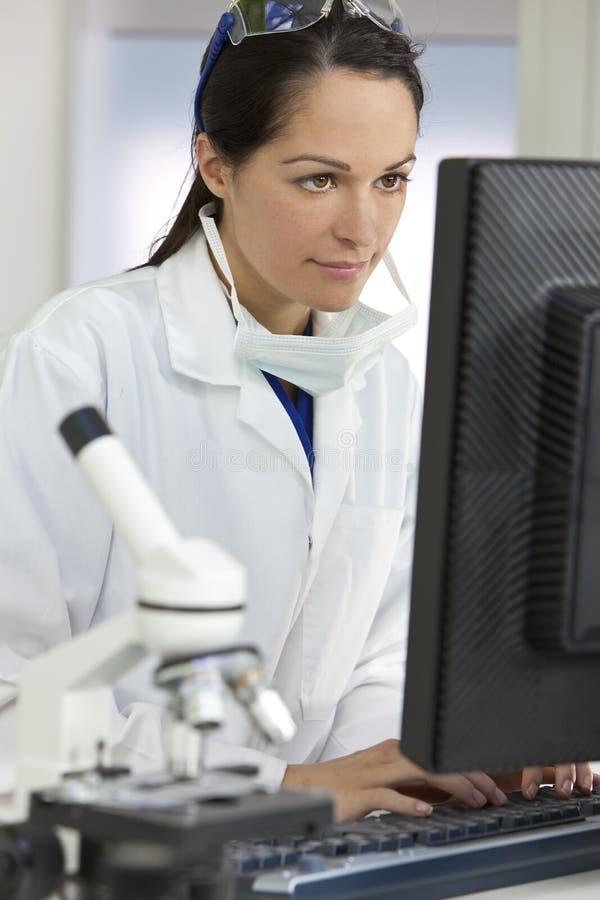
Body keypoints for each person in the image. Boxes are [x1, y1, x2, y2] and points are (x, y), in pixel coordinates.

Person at [0, 0, 597, 822]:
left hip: (313, 856)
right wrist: (284, 788)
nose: (364, 228)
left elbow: (380, 655)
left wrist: (434, 758)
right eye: (319, 179)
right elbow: (10, 696)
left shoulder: (379, 377)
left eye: (391, 179)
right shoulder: (80, 355)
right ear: (216, 165)